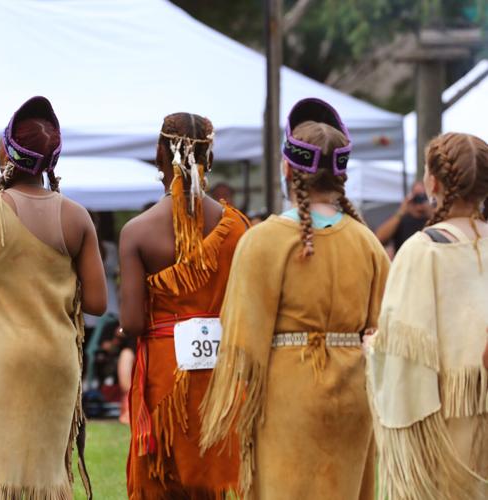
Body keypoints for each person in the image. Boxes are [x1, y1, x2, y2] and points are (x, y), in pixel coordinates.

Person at [199, 98, 390, 500]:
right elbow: (383, 330)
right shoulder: (368, 243)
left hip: (288, 394)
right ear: (342, 176)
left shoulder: (263, 240)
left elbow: (242, 341)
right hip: (354, 395)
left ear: (288, 168)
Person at [0, 95, 106, 499]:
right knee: (46, 478)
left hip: (1, 362)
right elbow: (99, 304)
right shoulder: (77, 216)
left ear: (6, 152)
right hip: (57, 360)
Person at [120, 112, 248, 498]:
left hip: (165, 369)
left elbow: (133, 322)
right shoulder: (237, 227)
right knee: (215, 476)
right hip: (222, 372)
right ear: (209, 159)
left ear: (159, 154)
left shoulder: (137, 231)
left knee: (166, 478)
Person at [365, 132, 488, 498]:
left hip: (447, 425)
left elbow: (403, 355)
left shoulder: (423, 251)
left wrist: (372, 349)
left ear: (432, 182)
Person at [374, 180, 431, 254]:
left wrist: (431, 211)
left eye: (423, 196)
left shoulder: (431, 219)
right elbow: (379, 239)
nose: (419, 200)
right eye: (416, 196)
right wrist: (401, 211)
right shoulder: (401, 219)